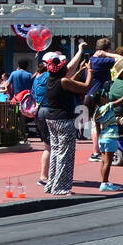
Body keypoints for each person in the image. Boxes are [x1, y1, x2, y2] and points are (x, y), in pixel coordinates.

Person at [41, 46, 92, 196]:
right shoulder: (63, 81)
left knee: (56, 152)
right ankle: (61, 187)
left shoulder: (51, 80)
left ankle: (52, 184)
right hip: (64, 121)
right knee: (65, 155)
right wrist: (90, 71)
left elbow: (70, 82)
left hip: (52, 119)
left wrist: (80, 70)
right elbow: (86, 88)